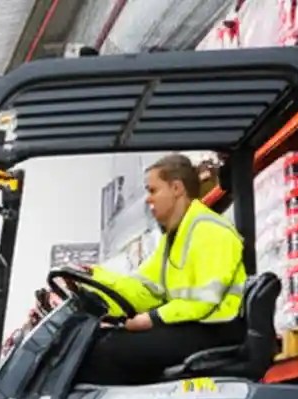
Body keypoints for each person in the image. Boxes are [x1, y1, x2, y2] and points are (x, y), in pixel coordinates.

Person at [68, 153, 247, 386]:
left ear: (176, 188)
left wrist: (151, 319)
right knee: (98, 342)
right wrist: (94, 279)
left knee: (102, 354)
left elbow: (203, 301)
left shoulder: (209, 230)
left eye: (153, 191)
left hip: (216, 330)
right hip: (193, 327)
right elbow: (143, 288)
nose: (147, 200)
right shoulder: (175, 237)